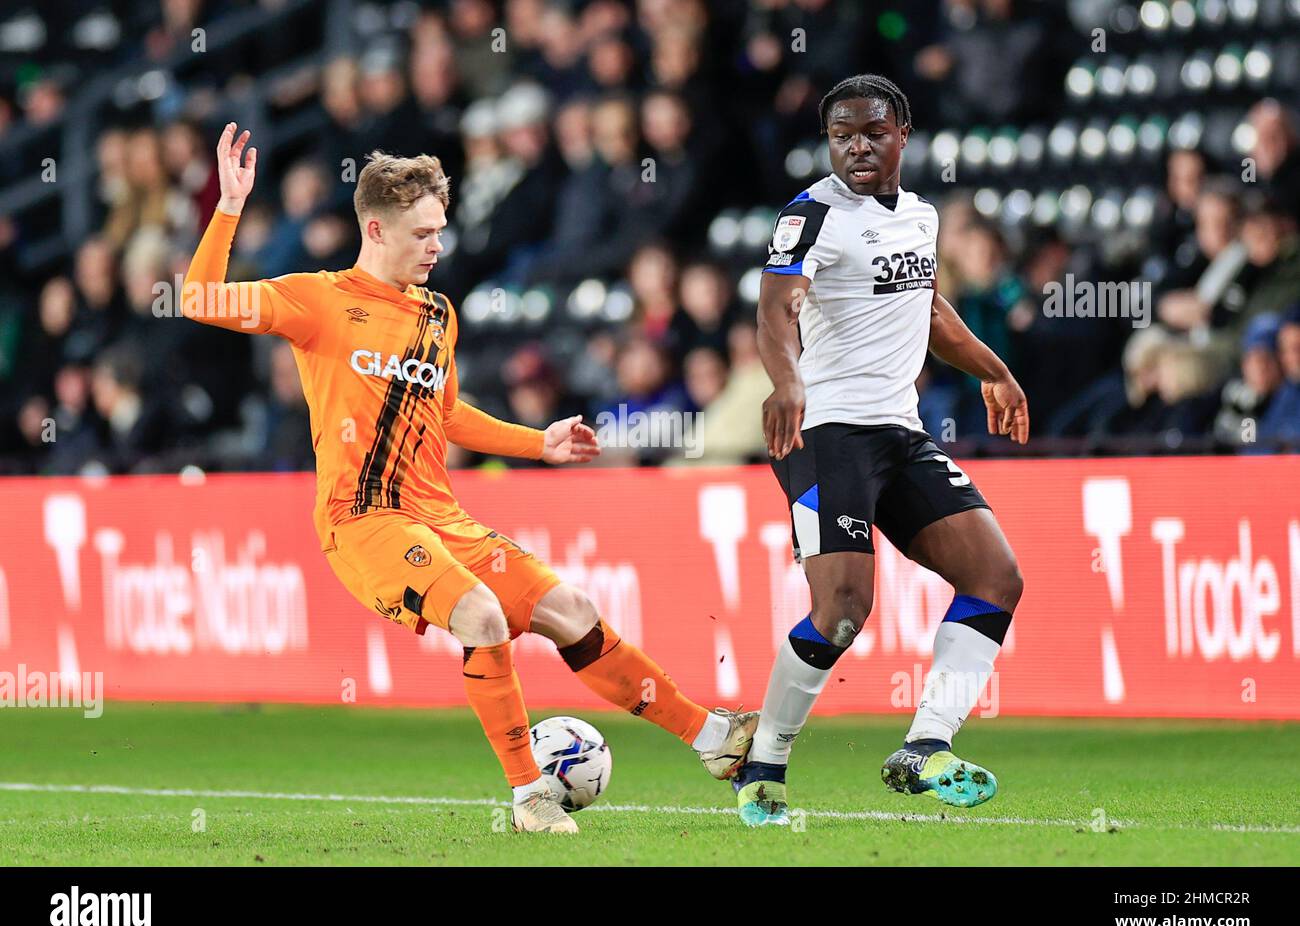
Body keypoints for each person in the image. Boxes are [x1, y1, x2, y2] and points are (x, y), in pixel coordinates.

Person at [181, 124, 757, 834]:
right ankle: (530, 798)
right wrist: (230, 206)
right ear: (375, 228)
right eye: (423, 232)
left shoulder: (437, 314)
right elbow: (198, 302)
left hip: (440, 516)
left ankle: (712, 740)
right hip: (362, 519)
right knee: (482, 617)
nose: (436, 245)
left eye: (441, 230)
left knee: (571, 610)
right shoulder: (319, 299)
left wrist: (534, 443)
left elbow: (447, 414)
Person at [736, 74, 1028, 827]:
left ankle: (926, 746)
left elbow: (926, 306)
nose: (857, 146)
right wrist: (786, 382)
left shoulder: (922, 217)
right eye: (842, 135)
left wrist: (994, 368)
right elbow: (773, 306)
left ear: (902, 131)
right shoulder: (811, 216)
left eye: (871, 131)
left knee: (996, 577)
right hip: (824, 432)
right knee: (842, 610)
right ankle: (764, 758)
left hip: (901, 431)